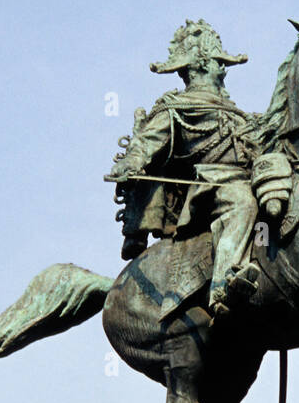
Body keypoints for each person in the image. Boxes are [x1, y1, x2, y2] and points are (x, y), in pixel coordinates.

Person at [106, 19, 260, 316]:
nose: (224, 69)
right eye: (219, 63)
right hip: (211, 186)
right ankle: (223, 287)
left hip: (246, 178)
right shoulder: (176, 108)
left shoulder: (239, 114)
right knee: (242, 203)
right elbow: (147, 142)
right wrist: (131, 162)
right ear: (201, 66)